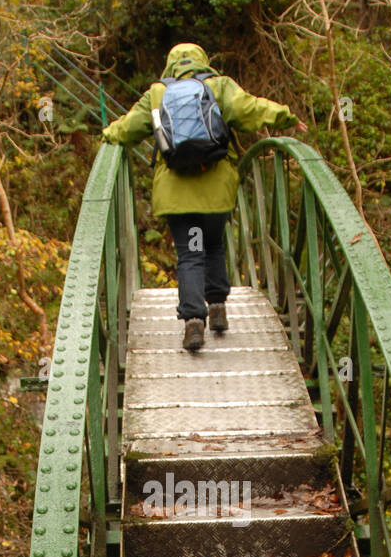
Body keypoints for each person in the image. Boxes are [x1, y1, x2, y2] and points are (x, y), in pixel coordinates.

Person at [101, 43, 306, 351]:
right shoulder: (219, 86)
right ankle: (218, 308)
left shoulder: (157, 93)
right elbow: (250, 109)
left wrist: (107, 134)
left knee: (190, 252)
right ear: (203, 61)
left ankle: (194, 323)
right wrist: (285, 116)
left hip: (177, 194)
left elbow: (129, 128)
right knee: (212, 245)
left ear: (171, 66)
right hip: (216, 189)